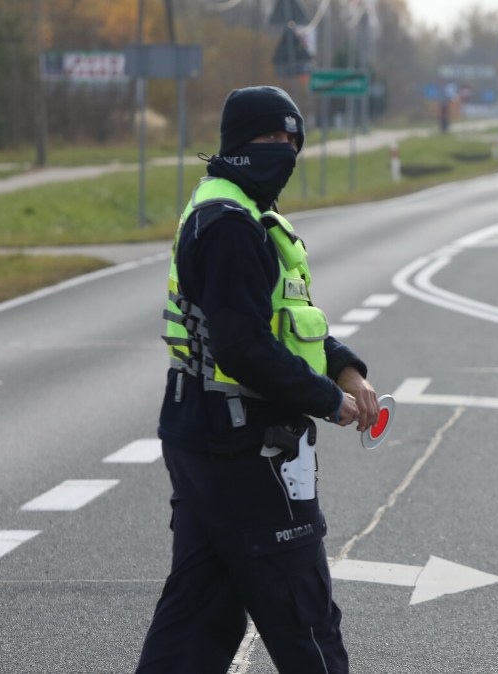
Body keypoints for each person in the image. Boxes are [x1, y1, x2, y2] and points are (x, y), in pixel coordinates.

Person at [136, 86, 378, 674]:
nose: (285, 152)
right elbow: (243, 347)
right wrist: (330, 400)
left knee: (199, 617)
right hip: (243, 444)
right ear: (237, 144)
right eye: (272, 138)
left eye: (293, 141)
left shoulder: (245, 213)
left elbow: (288, 326)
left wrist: (344, 367)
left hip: (209, 434)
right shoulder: (230, 225)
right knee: (303, 615)